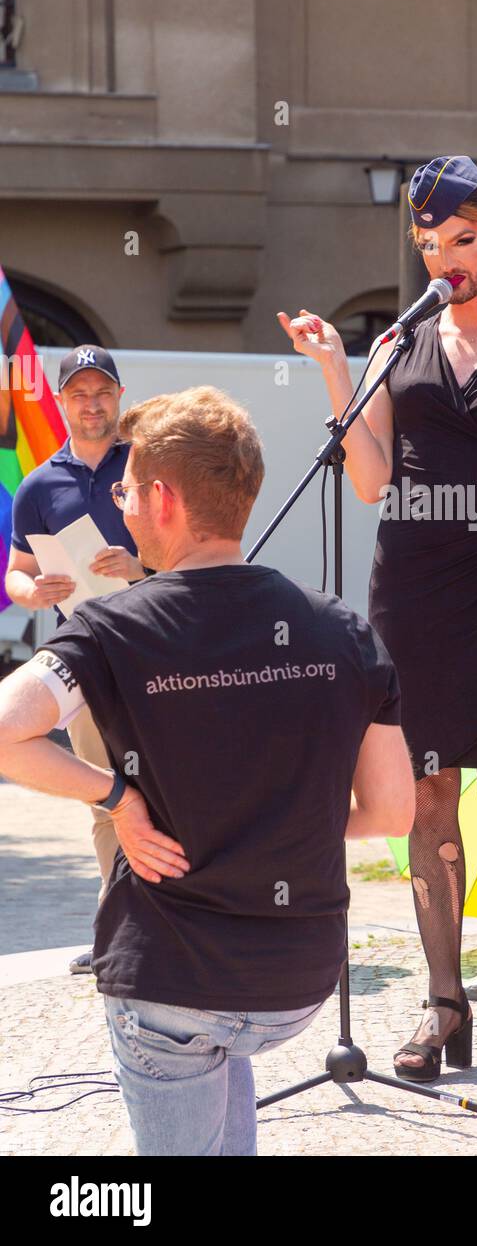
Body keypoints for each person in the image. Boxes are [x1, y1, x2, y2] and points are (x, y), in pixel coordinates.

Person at [0, 386, 415, 1155]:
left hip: (170, 984)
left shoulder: (108, 626)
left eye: (125, 490)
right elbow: (392, 814)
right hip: (296, 981)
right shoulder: (342, 630)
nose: (120, 504)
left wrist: (118, 799)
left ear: (162, 499)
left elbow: (4, 732)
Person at [278, 154, 477, 1093]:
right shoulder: (394, 347)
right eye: (429, 244)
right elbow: (372, 480)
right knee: (426, 801)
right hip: (410, 598)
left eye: (461, 240)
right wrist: (338, 370)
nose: (444, 260)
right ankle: (444, 1001)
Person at [4, 345, 149, 974]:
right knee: (104, 792)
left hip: (157, 648)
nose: (93, 406)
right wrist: (33, 592)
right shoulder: (38, 486)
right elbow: (16, 573)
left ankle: (182, 923)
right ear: (63, 402)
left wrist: (141, 566)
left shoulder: (149, 468)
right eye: (80, 395)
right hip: (86, 656)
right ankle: (116, 930)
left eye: (103, 392)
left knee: (171, 785)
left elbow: (197, 551)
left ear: (119, 395)